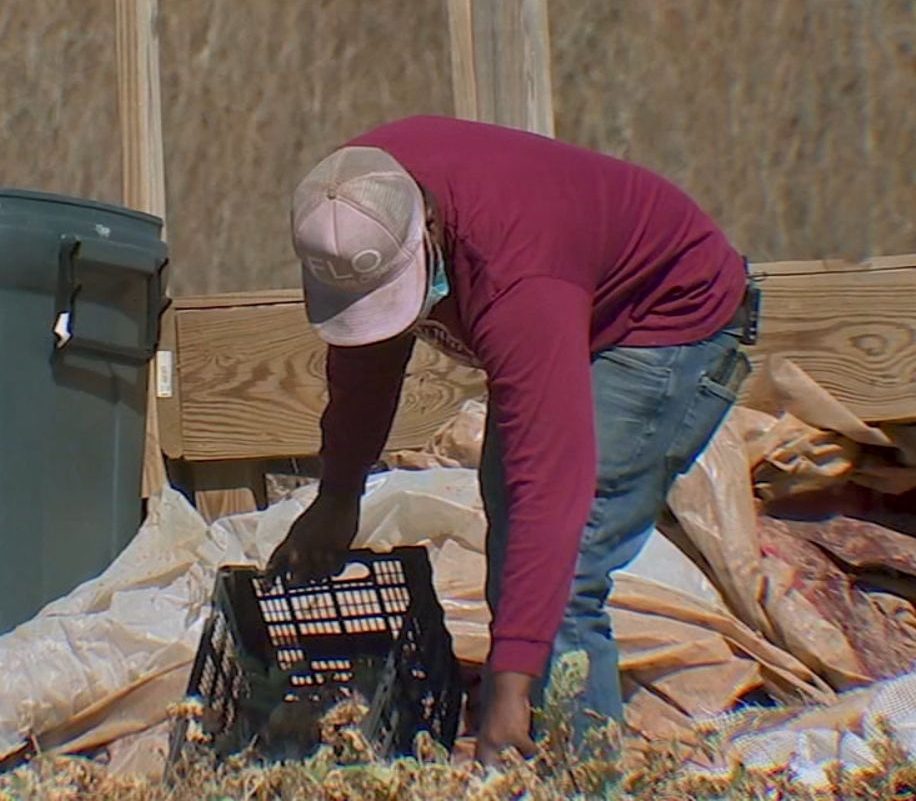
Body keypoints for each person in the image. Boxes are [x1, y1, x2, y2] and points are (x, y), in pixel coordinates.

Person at [264, 114, 758, 766]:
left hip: (663, 317)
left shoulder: (518, 276)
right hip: (571, 289)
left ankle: (581, 773)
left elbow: (552, 491)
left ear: (429, 230)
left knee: (569, 566)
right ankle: (542, 716)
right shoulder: (352, 198)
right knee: (513, 535)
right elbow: (364, 370)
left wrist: (510, 682)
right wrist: (336, 498)